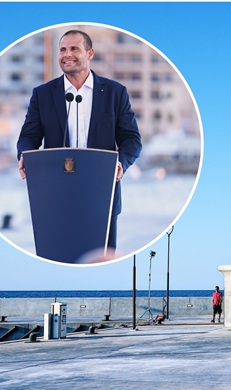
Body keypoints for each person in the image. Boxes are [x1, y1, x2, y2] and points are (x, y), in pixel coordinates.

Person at [16, 29, 142, 253]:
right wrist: (25, 154)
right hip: (56, 191)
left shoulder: (115, 92)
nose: (67, 54)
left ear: (90, 53)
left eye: (74, 48)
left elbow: (131, 139)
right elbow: (28, 137)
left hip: (101, 193)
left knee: (101, 257)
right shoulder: (43, 94)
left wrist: (121, 162)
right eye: (63, 49)